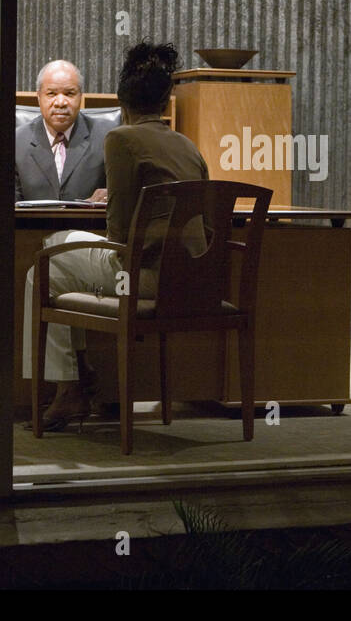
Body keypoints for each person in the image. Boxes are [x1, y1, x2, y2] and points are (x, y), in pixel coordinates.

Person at [23, 41, 208, 432]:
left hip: (140, 278)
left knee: (42, 266)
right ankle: (79, 376)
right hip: (191, 281)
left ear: (122, 103)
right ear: (165, 101)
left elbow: (119, 233)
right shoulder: (189, 146)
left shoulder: (121, 140)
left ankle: (69, 386)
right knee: (56, 247)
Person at [14, 59, 113, 203]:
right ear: (39, 97)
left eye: (69, 93)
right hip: (32, 225)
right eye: (52, 94)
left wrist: (112, 194)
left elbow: (126, 190)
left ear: (80, 96)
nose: (60, 102)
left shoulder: (106, 136)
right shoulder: (16, 141)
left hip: (87, 224)